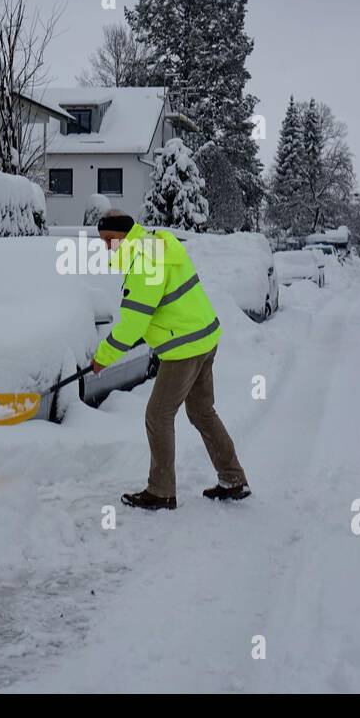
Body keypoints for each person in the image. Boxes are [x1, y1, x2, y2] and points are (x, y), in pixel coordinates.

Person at [90, 211, 250, 511]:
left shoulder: (145, 261)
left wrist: (103, 357)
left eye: (110, 239)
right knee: (202, 412)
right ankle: (233, 478)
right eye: (102, 241)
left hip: (184, 347)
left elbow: (134, 322)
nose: (107, 247)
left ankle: (161, 491)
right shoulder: (156, 246)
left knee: (158, 415)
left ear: (125, 235)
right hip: (203, 338)